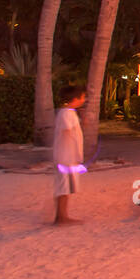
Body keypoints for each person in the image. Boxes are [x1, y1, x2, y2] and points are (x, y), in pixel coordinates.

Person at [52, 84, 86, 225]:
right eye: (83, 97)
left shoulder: (69, 112)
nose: (84, 100)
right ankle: (61, 217)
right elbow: (67, 130)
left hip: (67, 156)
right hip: (66, 157)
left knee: (65, 187)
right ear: (75, 98)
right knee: (64, 188)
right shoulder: (66, 113)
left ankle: (61, 216)